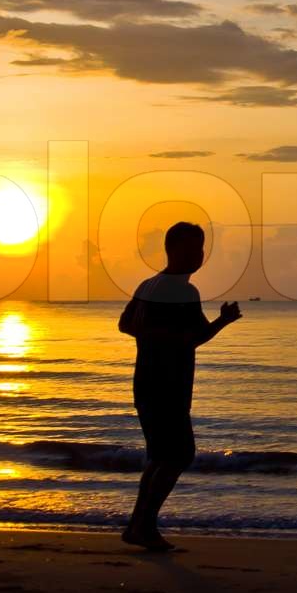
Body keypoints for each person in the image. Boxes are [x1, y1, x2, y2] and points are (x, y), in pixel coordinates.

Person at [116, 221, 241, 551]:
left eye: (200, 248)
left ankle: (138, 527)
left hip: (146, 383)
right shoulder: (183, 291)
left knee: (159, 457)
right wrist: (222, 322)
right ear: (173, 250)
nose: (198, 255)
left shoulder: (149, 284)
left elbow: (126, 324)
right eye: (191, 248)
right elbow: (192, 338)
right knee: (180, 455)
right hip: (167, 385)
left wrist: (154, 334)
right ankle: (143, 526)